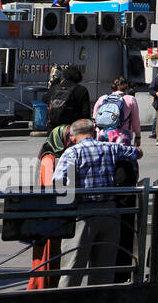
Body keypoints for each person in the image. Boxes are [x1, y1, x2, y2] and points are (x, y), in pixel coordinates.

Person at [52, 118, 143, 286]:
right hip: (110, 213)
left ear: (73, 137)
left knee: (72, 269)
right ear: (94, 133)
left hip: (83, 214)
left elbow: (58, 181)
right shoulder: (111, 148)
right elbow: (137, 152)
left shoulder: (72, 153)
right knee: (103, 271)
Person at [93, 77, 138, 147]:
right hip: (122, 136)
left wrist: (97, 132)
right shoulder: (130, 99)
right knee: (121, 156)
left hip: (102, 134)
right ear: (126, 86)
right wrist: (138, 136)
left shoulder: (103, 98)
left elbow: (94, 118)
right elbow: (135, 120)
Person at [47, 65, 93, 135]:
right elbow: (85, 113)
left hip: (53, 129)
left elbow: (44, 99)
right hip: (73, 129)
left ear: (64, 75)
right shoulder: (81, 90)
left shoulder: (55, 88)